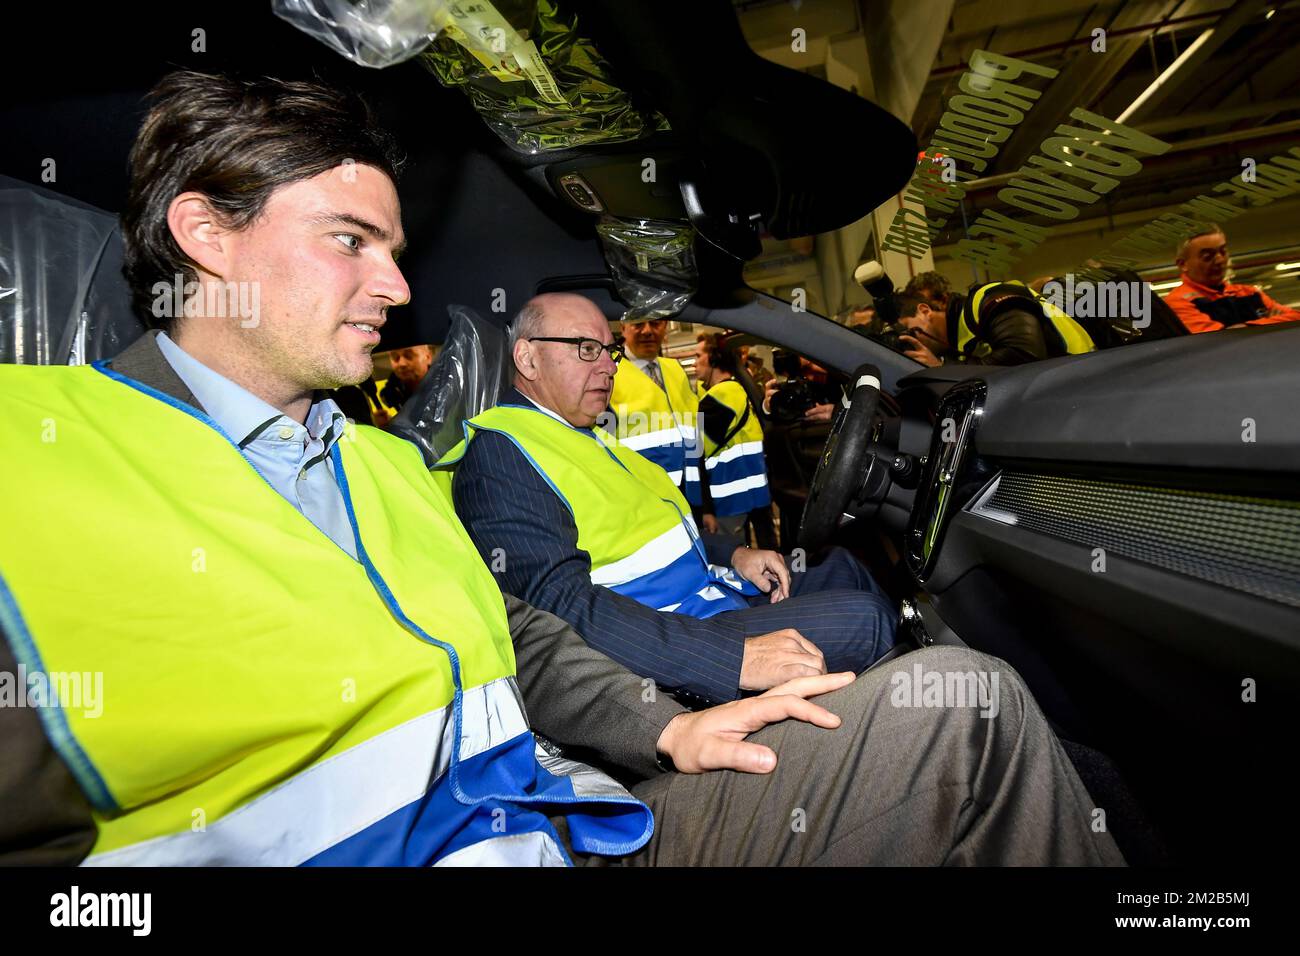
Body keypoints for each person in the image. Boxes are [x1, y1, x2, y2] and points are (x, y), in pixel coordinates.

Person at [0, 70, 1123, 868]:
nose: (396, 289)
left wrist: (659, 724)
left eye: (394, 250)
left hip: (573, 825)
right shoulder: (30, 455)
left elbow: (513, 634)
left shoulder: (383, 465)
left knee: (962, 701)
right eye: (351, 240)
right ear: (204, 232)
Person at [443, 293, 898, 705]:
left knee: (842, 564)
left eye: (610, 351)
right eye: (586, 350)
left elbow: (658, 526)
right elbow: (563, 612)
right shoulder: (503, 455)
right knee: (868, 619)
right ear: (527, 356)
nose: (608, 366)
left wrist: (735, 552)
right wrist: (730, 658)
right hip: (675, 636)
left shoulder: (584, 434)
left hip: (707, 593)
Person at [609, 316, 702, 506]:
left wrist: (706, 505)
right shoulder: (608, 371)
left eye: (655, 323)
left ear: (666, 327)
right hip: (640, 496)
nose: (647, 331)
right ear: (623, 327)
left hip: (686, 491)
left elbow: (695, 431)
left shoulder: (675, 370)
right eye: (638, 324)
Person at [896, 279, 1095, 367]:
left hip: (1088, 371)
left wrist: (943, 367)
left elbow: (1025, 353)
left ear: (925, 311)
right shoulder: (956, 344)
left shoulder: (984, 301)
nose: (911, 339)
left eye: (911, 330)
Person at [694, 333, 770, 537]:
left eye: (698, 355)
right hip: (753, 488)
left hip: (731, 494)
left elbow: (692, 447)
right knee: (766, 545)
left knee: (733, 558)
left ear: (714, 359)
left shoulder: (722, 396)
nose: (694, 363)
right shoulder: (733, 390)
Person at [1164, 223, 1300, 333]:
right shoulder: (1177, 303)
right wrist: (1271, 323)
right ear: (1183, 264)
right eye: (1207, 256)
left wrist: (1244, 328)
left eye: (1223, 251)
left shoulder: (1249, 292)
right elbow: (1218, 339)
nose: (1220, 260)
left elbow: (1295, 318)